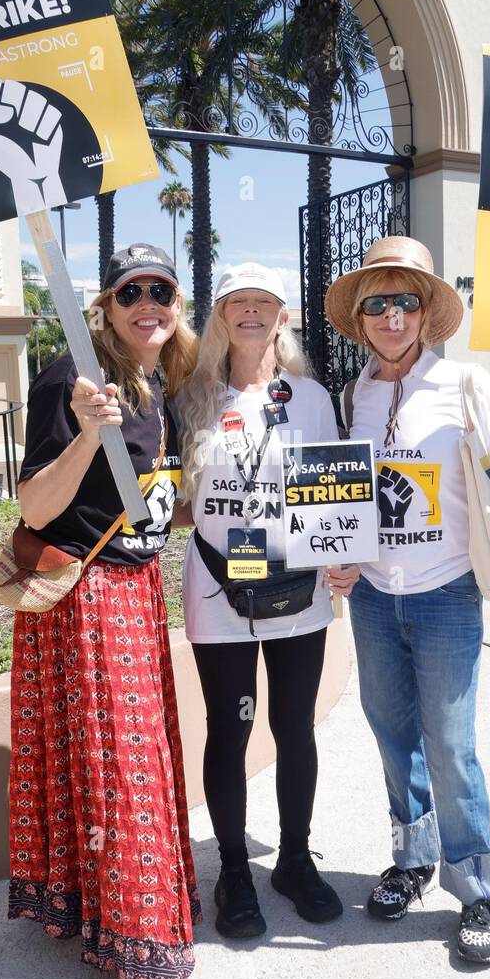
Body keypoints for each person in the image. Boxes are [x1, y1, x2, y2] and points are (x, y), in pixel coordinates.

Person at [8, 242, 245, 979]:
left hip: (134, 589)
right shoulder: (68, 379)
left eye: (163, 290)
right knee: (128, 773)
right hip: (89, 599)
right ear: (105, 306)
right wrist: (83, 433)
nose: (149, 302)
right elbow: (35, 506)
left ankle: (95, 913)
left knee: (114, 765)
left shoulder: (162, 387)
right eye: (129, 291)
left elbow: (151, 501)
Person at [324, 236, 490, 964]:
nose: (390, 316)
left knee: (450, 744)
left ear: (425, 313)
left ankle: (476, 890)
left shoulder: (465, 384)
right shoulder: (352, 394)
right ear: (361, 317)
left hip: (445, 594)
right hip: (375, 597)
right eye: (376, 303)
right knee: (392, 737)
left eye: (404, 301)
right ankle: (411, 860)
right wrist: (339, 559)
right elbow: (342, 496)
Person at [177, 263, 357, 939]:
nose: (251, 312)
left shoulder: (309, 396)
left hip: (297, 585)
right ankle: (233, 871)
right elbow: (169, 494)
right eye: (237, 302)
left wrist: (341, 555)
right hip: (219, 583)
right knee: (230, 728)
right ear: (220, 315)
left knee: (293, 725)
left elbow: (334, 488)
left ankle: (292, 860)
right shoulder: (188, 393)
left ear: (281, 316)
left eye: (265, 302)